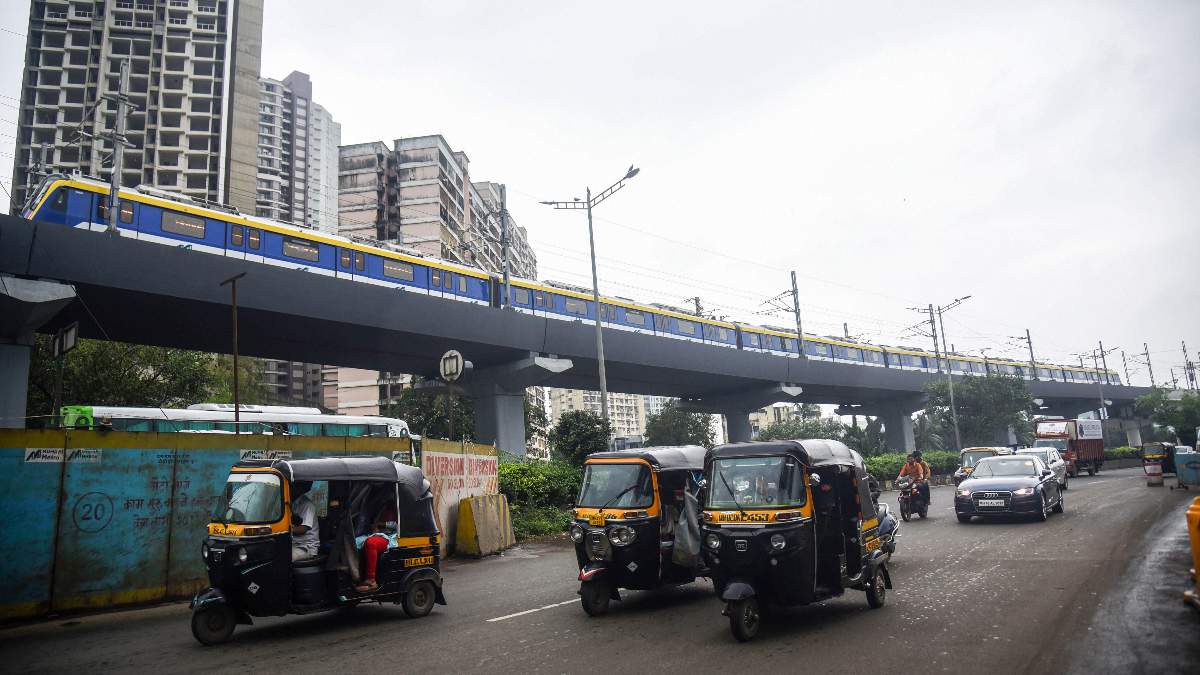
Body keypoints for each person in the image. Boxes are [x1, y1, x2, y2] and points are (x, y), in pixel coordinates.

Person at [354, 502, 398, 593]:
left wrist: (379, 524)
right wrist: (374, 526)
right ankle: (356, 576)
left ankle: (371, 580)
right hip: (376, 533)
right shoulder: (381, 507)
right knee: (354, 542)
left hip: (390, 537)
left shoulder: (399, 506)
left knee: (371, 543)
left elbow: (397, 524)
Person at [290, 481, 319, 562]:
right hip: (293, 545)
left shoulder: (307, 505)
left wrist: (285, 530)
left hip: (305, 547)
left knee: (285, 558)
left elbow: (303, 529)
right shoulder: (291, 503)